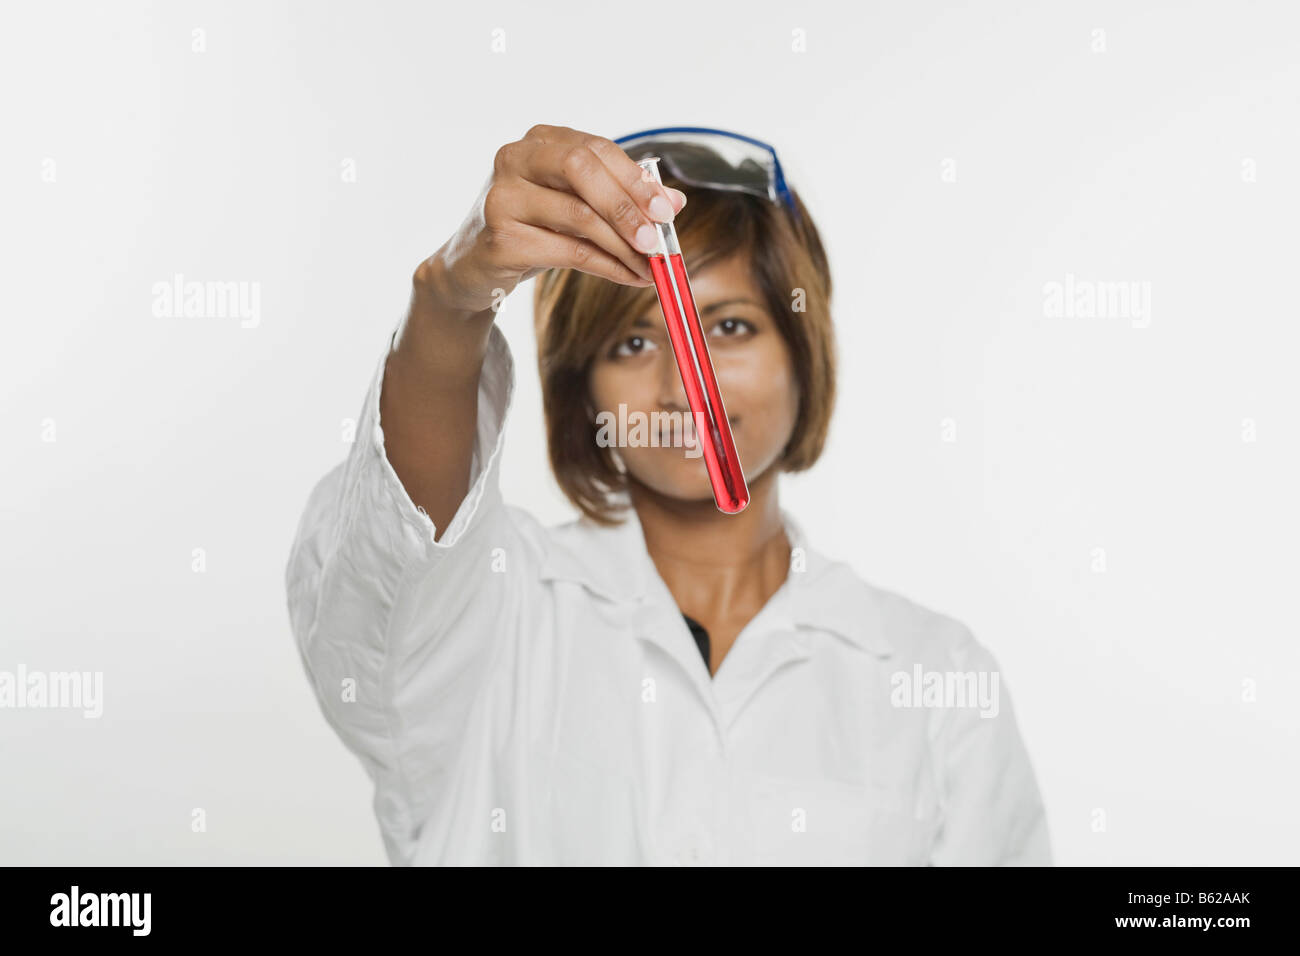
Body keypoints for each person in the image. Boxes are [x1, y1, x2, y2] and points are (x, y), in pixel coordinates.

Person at [285, 124, 1052, 866]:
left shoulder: (934, 675)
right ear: (582, 389)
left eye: (731, 326)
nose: (685, 388)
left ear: (802, 354)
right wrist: (450, 303)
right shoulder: (502, 613)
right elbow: (394, 570)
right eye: (632, 343)